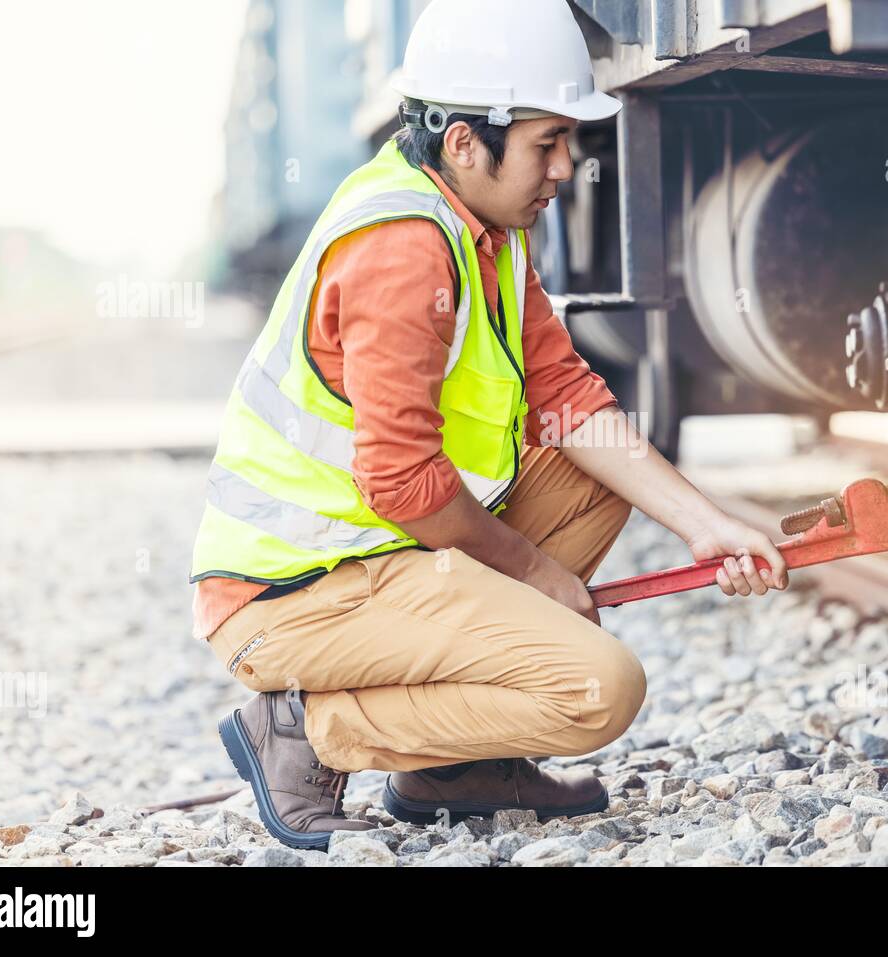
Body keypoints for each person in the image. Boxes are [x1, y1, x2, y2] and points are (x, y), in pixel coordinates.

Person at [189, 0, 789, 850]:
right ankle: (303, 730)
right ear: (465, 142)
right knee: (597, 688)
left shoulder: (486, 229)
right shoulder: (401, 248)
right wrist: (536, 573)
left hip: (379, 547)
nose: (565, 165)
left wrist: (707, 524)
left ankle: (451, 770)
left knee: (589, 471)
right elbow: (400, 480)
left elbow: (568, 396)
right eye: (547, 142)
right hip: (295, 592)